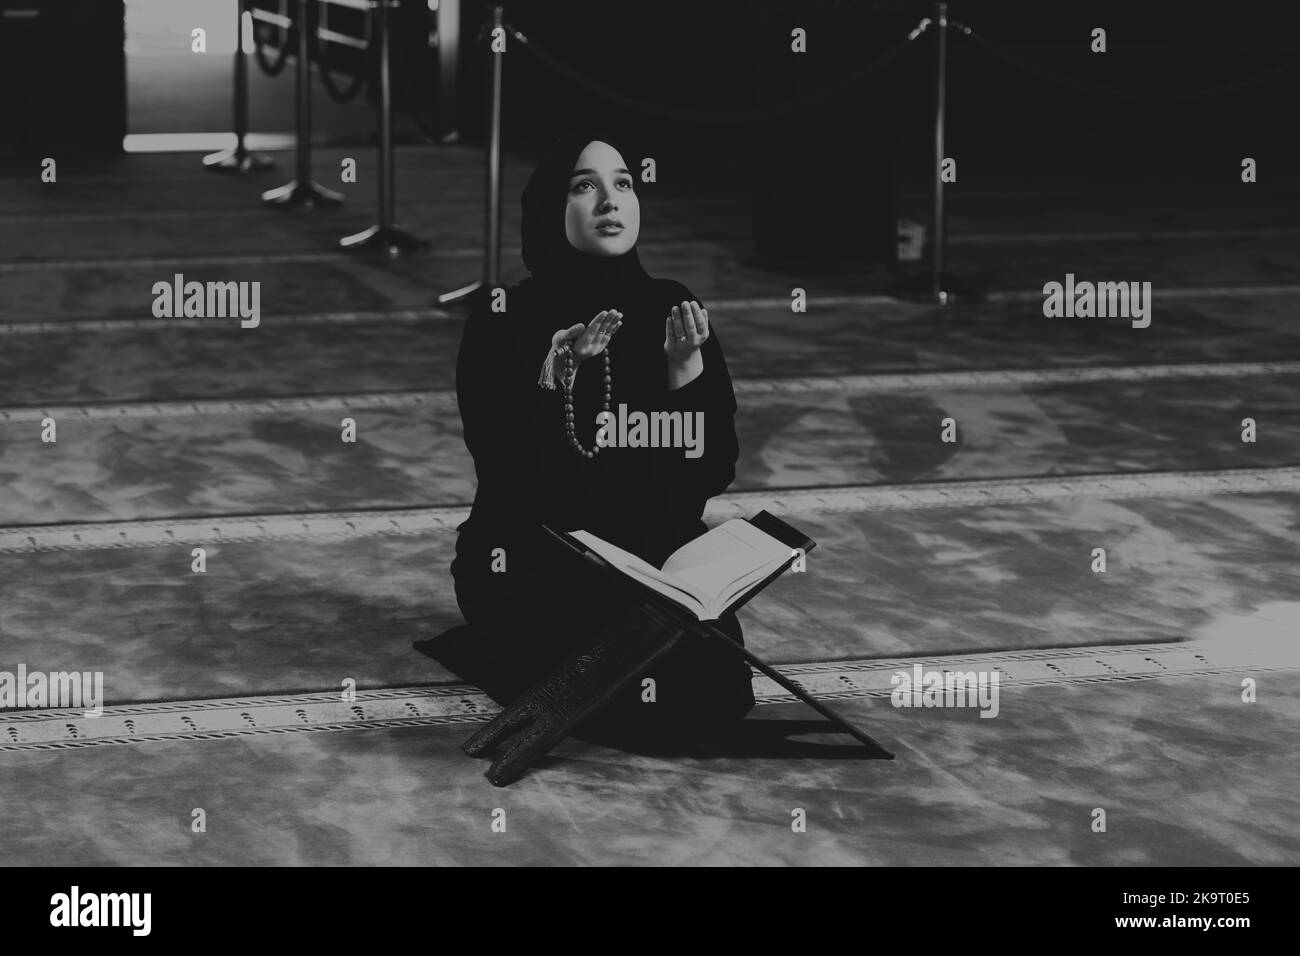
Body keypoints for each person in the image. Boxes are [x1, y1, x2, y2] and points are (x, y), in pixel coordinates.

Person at [433, 131, 755, 739]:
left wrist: (685, 375)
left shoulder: (672, 306)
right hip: (534, 558)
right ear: (551, 209)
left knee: (714, 683)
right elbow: (515, 480)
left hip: (646, 560)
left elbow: (712, 470)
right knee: (622, 684)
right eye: (585, 186)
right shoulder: (507, 319)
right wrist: (558, 380)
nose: (610, 201)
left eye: (624, 184)